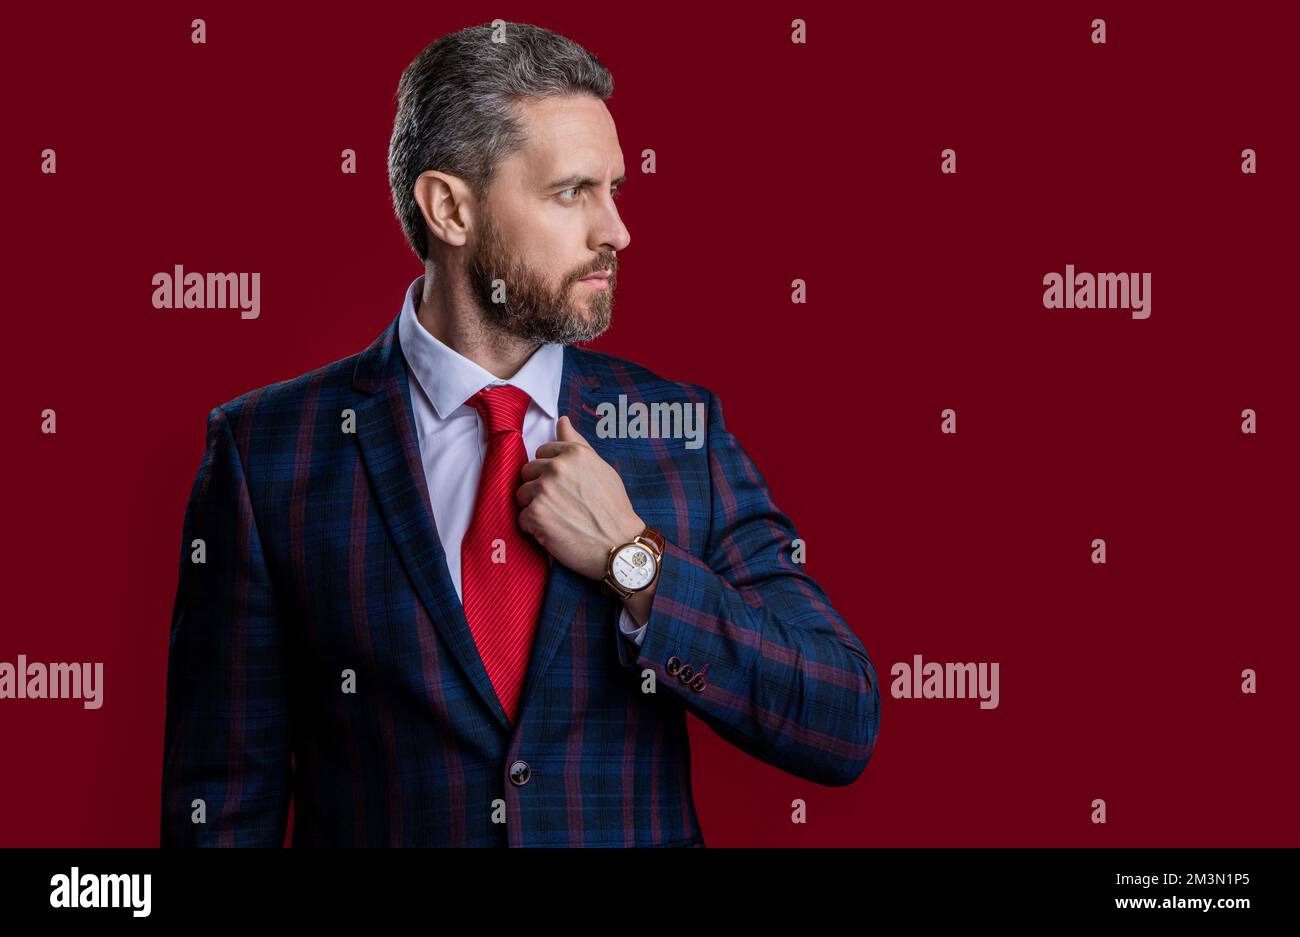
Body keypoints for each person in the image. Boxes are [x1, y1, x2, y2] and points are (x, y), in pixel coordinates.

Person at [160, 20, 880, 848]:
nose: (616, 230)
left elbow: (841, 719)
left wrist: (634, 562)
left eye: (615, 189)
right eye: (573, 191)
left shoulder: (681, 436)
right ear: (450, 208)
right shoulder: (265, 457)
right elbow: (218, 812)